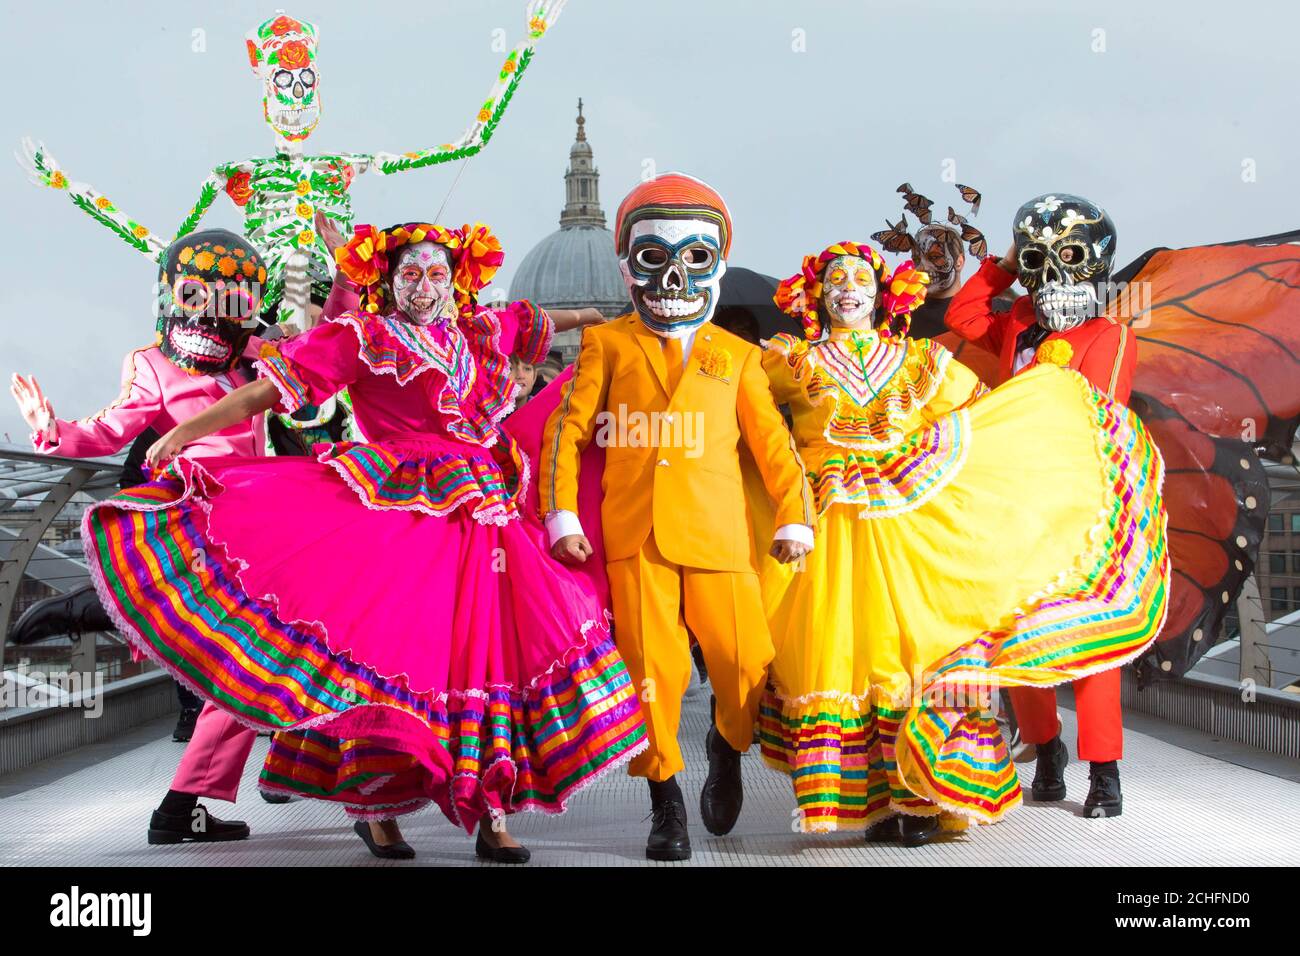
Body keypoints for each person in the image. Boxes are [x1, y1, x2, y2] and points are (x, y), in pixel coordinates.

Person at [81, 220, 648, 863]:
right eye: (411, 274)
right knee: (394, 659)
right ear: (387, 281)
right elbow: (271, 392)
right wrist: (186, 433)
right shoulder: (365, 338)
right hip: (393, 515)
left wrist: (621, 318)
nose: (426, 287)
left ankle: (491, 807)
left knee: (490, 656)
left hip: (485, 517)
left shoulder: (479, 331)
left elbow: (547, 317)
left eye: (438, 274)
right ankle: (377, 811)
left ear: (456, 280)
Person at [759, 239, 1170, 842]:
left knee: (921, 648)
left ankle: (923, 797)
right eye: (837, 280)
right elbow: (748, 422)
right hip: (831, 527)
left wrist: (1041, 431)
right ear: (817, 294)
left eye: (862, 281)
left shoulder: (921, 360)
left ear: (883, 294)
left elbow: (980, 415)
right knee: (845, 653)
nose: (849, 289)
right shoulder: (790, 361)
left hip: (915, 523)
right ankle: (872, 799)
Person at [539, 172, 816, 861]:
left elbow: (774, 446)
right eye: (654, 258)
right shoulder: (609, 345)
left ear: (716, 263)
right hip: (637, 538)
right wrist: (562, 517)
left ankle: (728, 742)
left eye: (694, 258)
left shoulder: (739, 357)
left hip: (718, 536)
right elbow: (566, 435)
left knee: (746, 663)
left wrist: (794, 517)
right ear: (629, 266)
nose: (673, 278)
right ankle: (665, 804)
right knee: (651, 676)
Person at [11, 229, 273, 844]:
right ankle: (98, 609)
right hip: (197, 524)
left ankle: (186, 807)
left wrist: (346, 273)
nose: (212, 307)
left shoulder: (263, 356)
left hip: (259, 526)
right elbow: (108, 431)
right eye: (197, 291)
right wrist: (53, 431)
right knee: (250, 663)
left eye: (230, 295)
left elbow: (332, 345)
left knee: (251, 668)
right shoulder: (153, 363)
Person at [946, 192, 1137, 816]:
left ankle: (1103, 771)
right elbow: (963, 312)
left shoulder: (1110, 335)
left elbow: (1095, 415)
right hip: (1012, 504)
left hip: (1079, 506)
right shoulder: (1016, 322)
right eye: (1038, 260)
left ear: (1096, 264)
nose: (1051, 274)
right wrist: (1004, 263)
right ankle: (1046, 749)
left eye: (1068, 257)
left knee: (1091, 639)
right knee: (1017, 635)